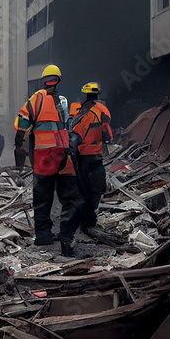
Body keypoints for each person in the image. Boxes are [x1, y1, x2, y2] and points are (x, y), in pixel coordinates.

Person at [14, 65, 82, 257]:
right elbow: (67, 127)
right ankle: (67, 236)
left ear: (43, 81)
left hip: (45, 157)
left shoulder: (36, 99)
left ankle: (43, 235)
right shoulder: (63, 101)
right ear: (58, 80)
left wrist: (19, 143)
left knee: (43, 197)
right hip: (64, 155)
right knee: (70, 197)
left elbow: (23, 123)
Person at [68, 82, 113, 239]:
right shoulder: (100, 112)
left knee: (85, 191)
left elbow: (74, 139)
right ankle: (87, 222)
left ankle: (85, 222)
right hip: (94, 159)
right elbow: (106, 134)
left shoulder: (84, 114)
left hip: (84, 160)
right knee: (94, 190)